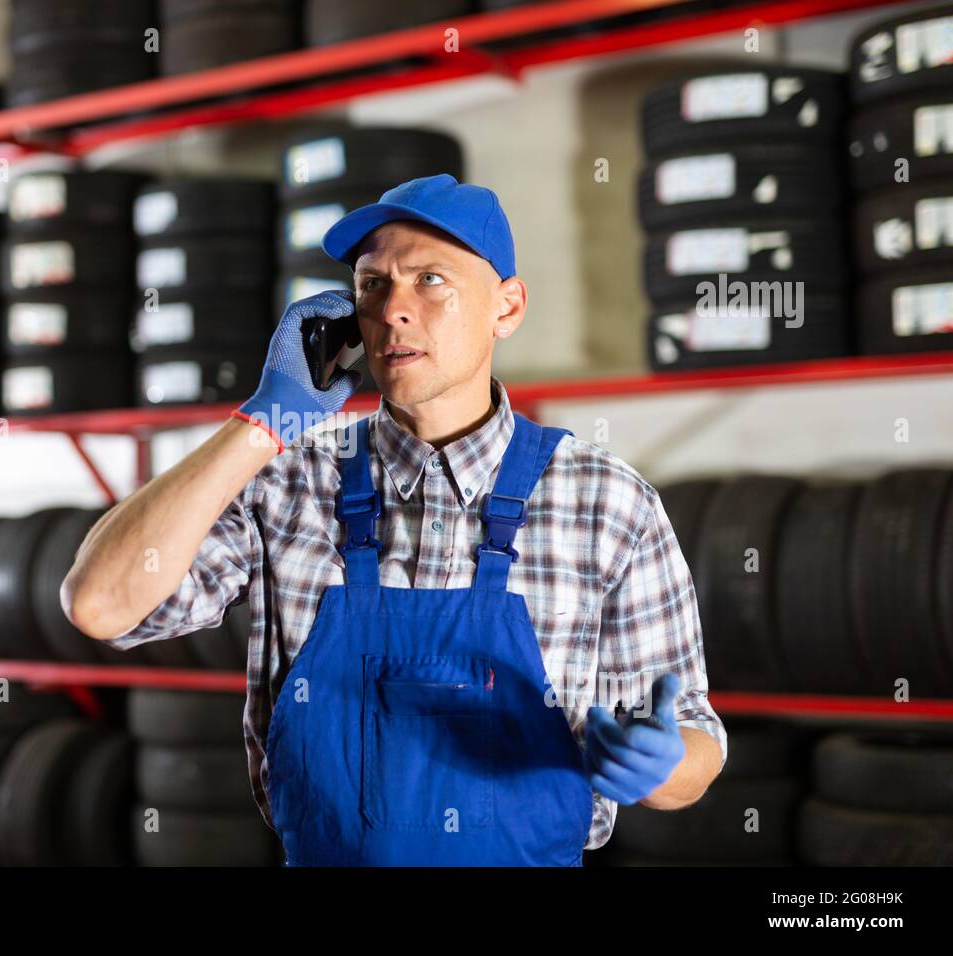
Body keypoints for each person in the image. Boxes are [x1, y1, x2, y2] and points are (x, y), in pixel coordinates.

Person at [62, 173, 726, 866]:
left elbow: (694, 744)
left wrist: (662, 765)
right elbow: (99, 603)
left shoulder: (606, 502)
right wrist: (261, 422)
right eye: (372, 285)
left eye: (430, 280)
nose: (393, 311)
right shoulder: (288, 483)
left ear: (506, 308)